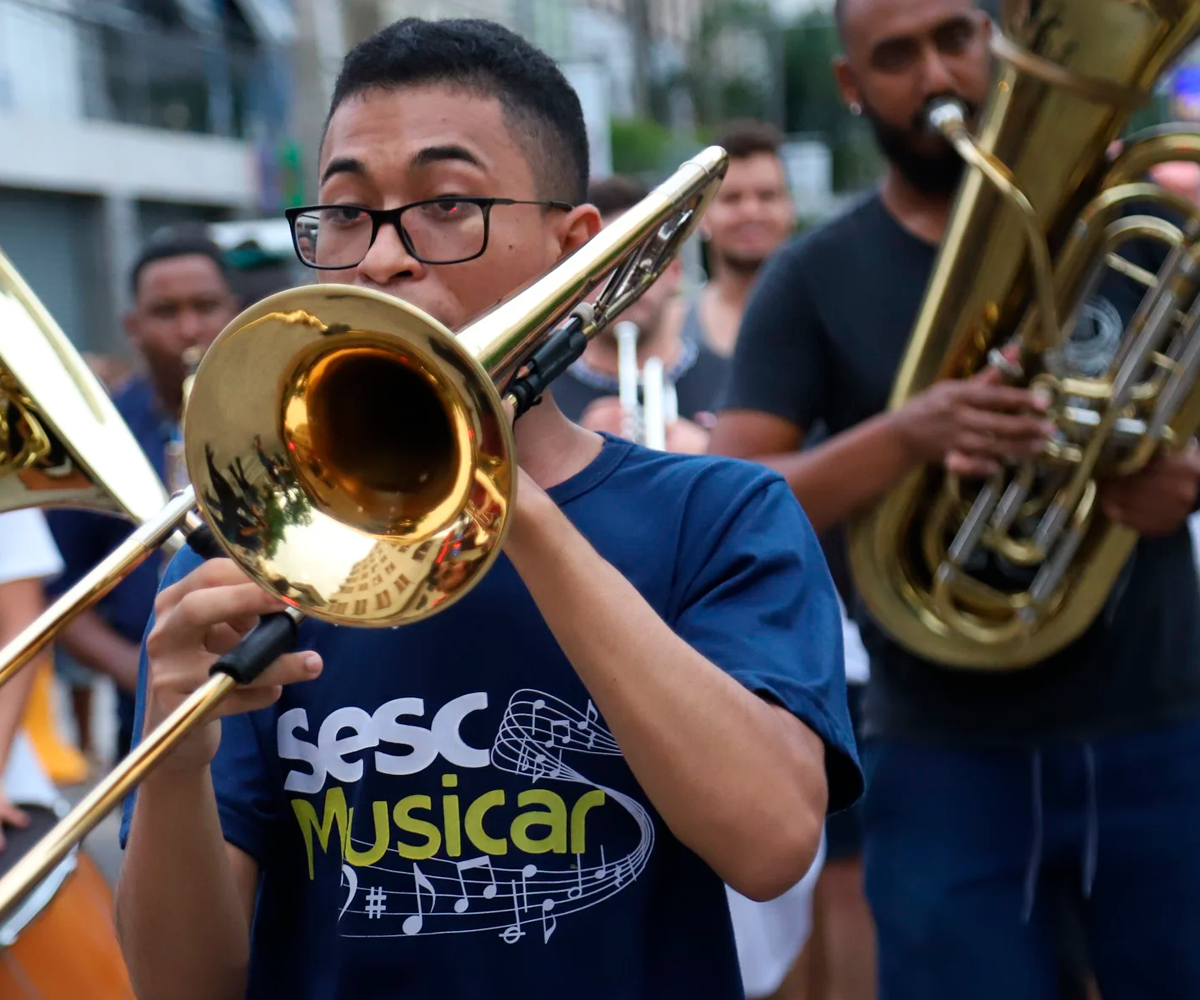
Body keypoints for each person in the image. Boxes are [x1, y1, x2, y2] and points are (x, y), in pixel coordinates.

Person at [114, 18, 862, 1000]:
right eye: (345, 212)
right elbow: (184, 987)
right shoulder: (253, 556)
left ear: (575, 249)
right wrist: (175, 757)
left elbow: (771, 843)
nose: (381, 259)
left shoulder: (720, 514)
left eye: (448, 203)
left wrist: (503, 493)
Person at [710, 1, 1200, 998]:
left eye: (954, 39)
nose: (936, 74)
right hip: (942, 750)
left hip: (1156, 725)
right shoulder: (811, 277)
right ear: (851, 87)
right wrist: (911, 434)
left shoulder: (1145, 231)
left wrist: (1187, 481)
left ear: (997, 44)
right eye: (896, 56)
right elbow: (739, 499)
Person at [45, 235, 240, 761]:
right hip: (147, 708)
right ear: (133, 328)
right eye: (165, 312)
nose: (189, 329)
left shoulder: (282, 406)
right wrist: (144, 671)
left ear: (235, 310)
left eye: (205, 307)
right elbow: (60, 592)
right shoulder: (97, 435)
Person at [555, 174, 728, 453]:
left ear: (675, 271)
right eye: (606, 265)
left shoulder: (727, 380)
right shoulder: (541, 397)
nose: (623, 282)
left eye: (641, 262)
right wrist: (570, 451)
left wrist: (713, 460)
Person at [693, 119, 796, 358]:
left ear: (791, 208)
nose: (751, 212)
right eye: (732, 198)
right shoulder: (670, 331)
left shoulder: (831, 319)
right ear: (702, 216)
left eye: (767, 196)